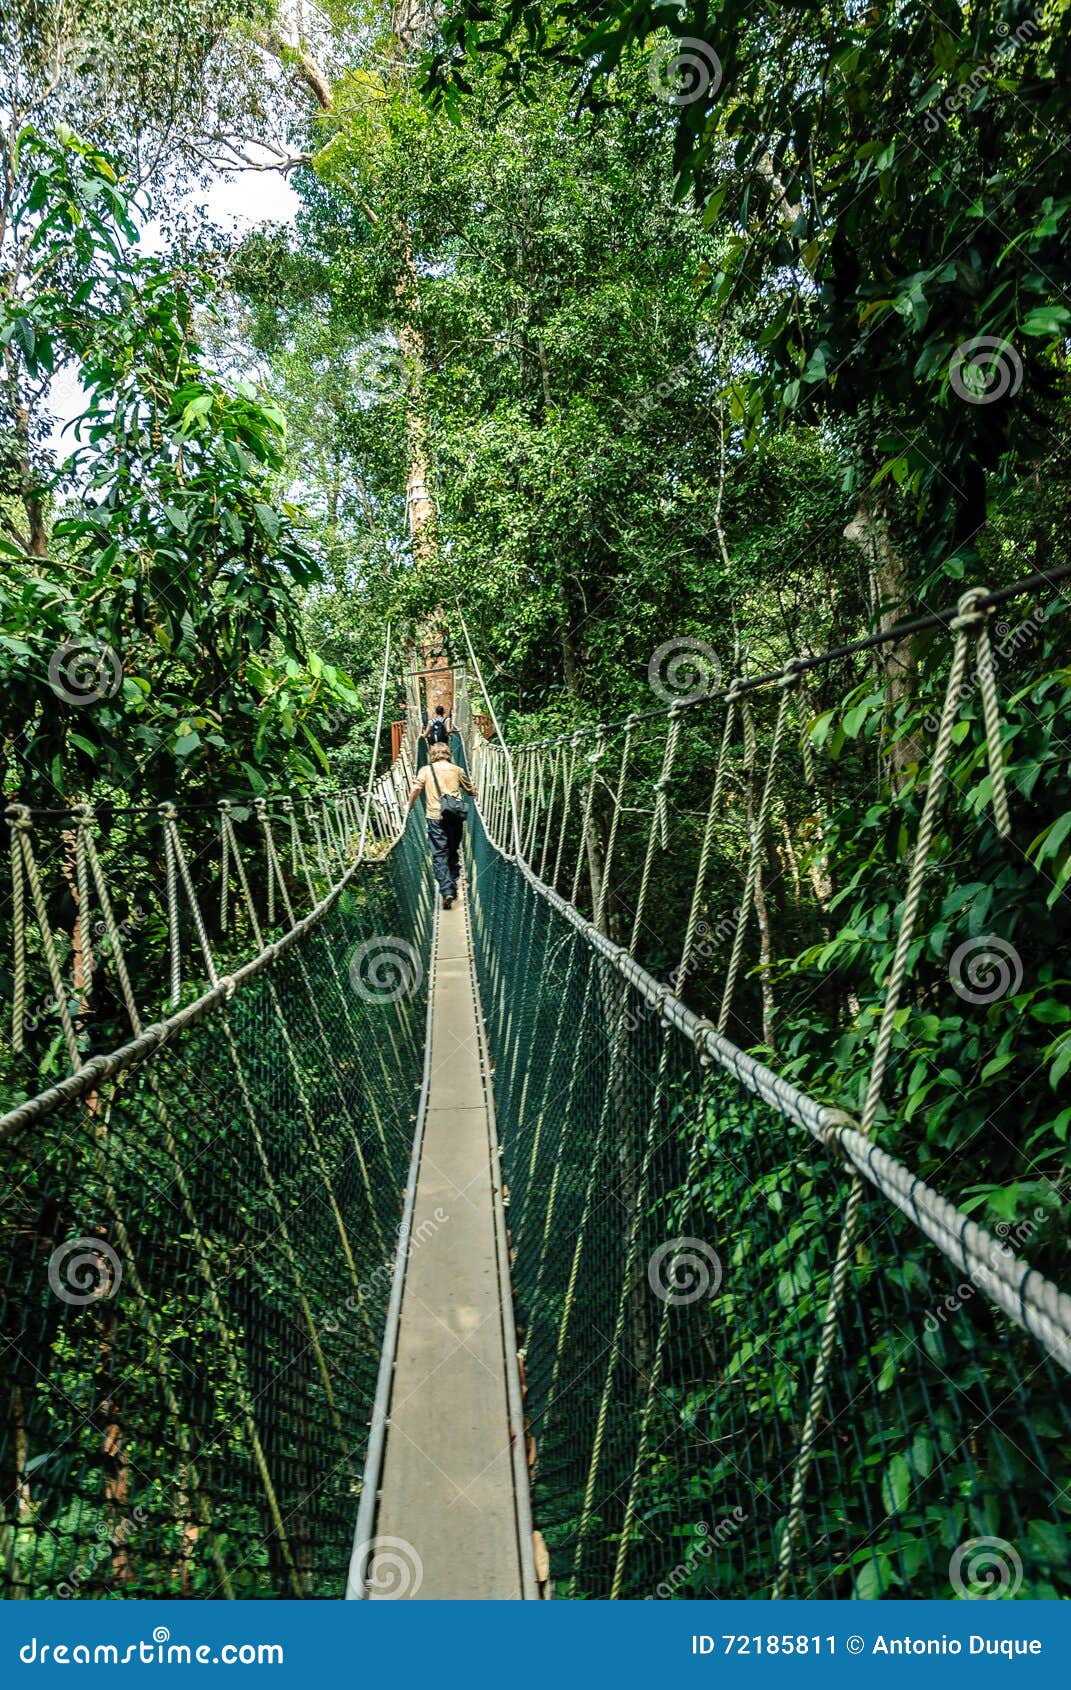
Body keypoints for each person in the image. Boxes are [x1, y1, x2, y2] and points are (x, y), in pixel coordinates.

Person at [408, 742, 476, 909]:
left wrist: (408, 806)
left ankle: (447, 891)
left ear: (433, 754)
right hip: (454, 817)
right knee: (453, 851)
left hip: (434, 816)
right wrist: (473, 790)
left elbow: (416, 789)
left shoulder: (425, 770)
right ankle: (452, 883)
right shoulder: (457, 769)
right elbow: (471, 791)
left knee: (439, 854)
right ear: (448, 753)